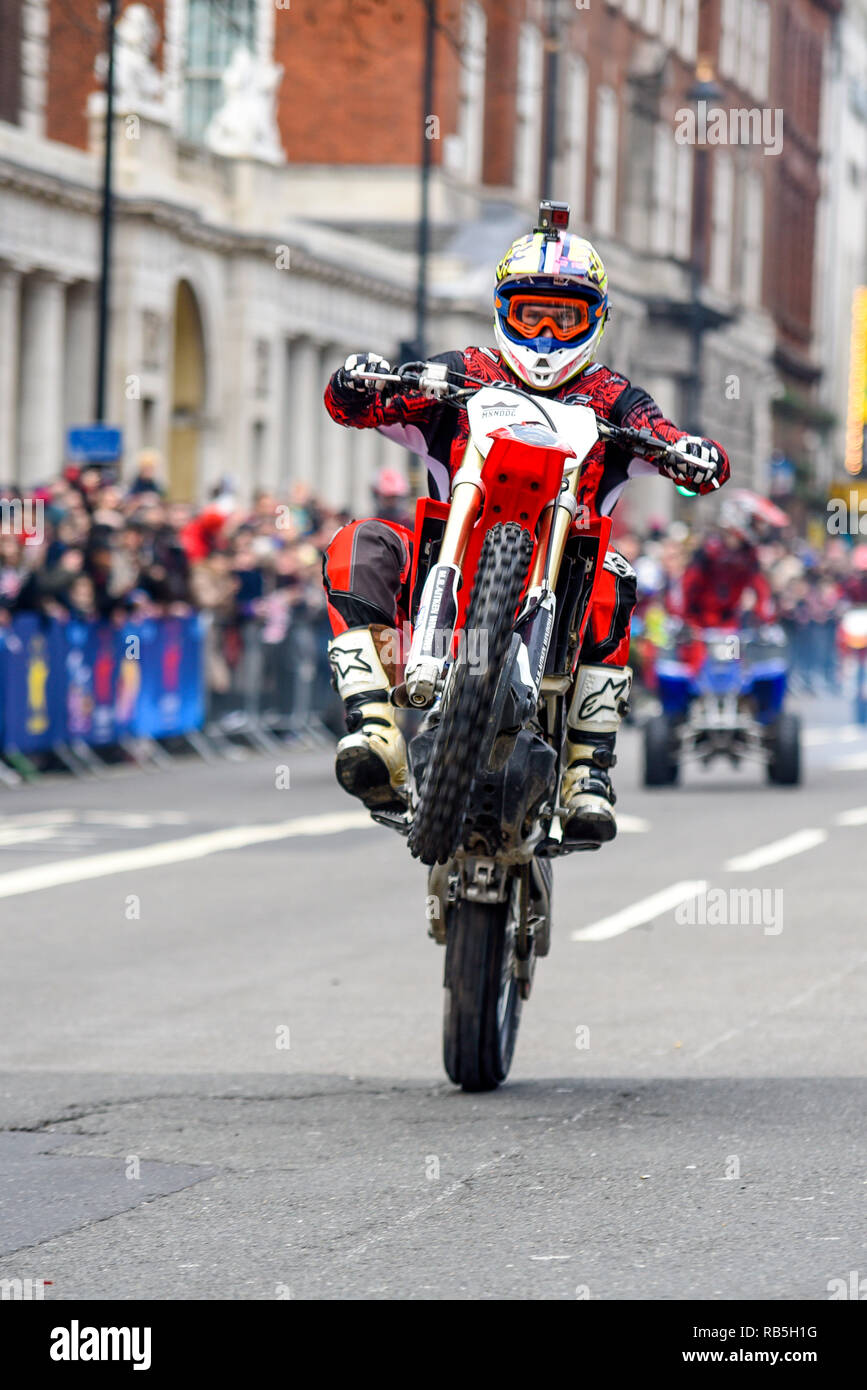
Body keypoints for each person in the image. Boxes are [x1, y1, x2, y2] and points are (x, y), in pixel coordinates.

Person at [321, 210, 729, 842]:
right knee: (359, 543)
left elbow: (678, 445)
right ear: (501, 310)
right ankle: (375, 726)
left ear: (593, 320)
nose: (544, 335)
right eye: (530, 314)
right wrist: (358, 380)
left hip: (566, 574)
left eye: (563, 318)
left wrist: (694, 454)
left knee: (616, 577)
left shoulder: (613, 396)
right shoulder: (463, 370)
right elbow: (355, 406)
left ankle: (585, 771)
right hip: (445, 562)